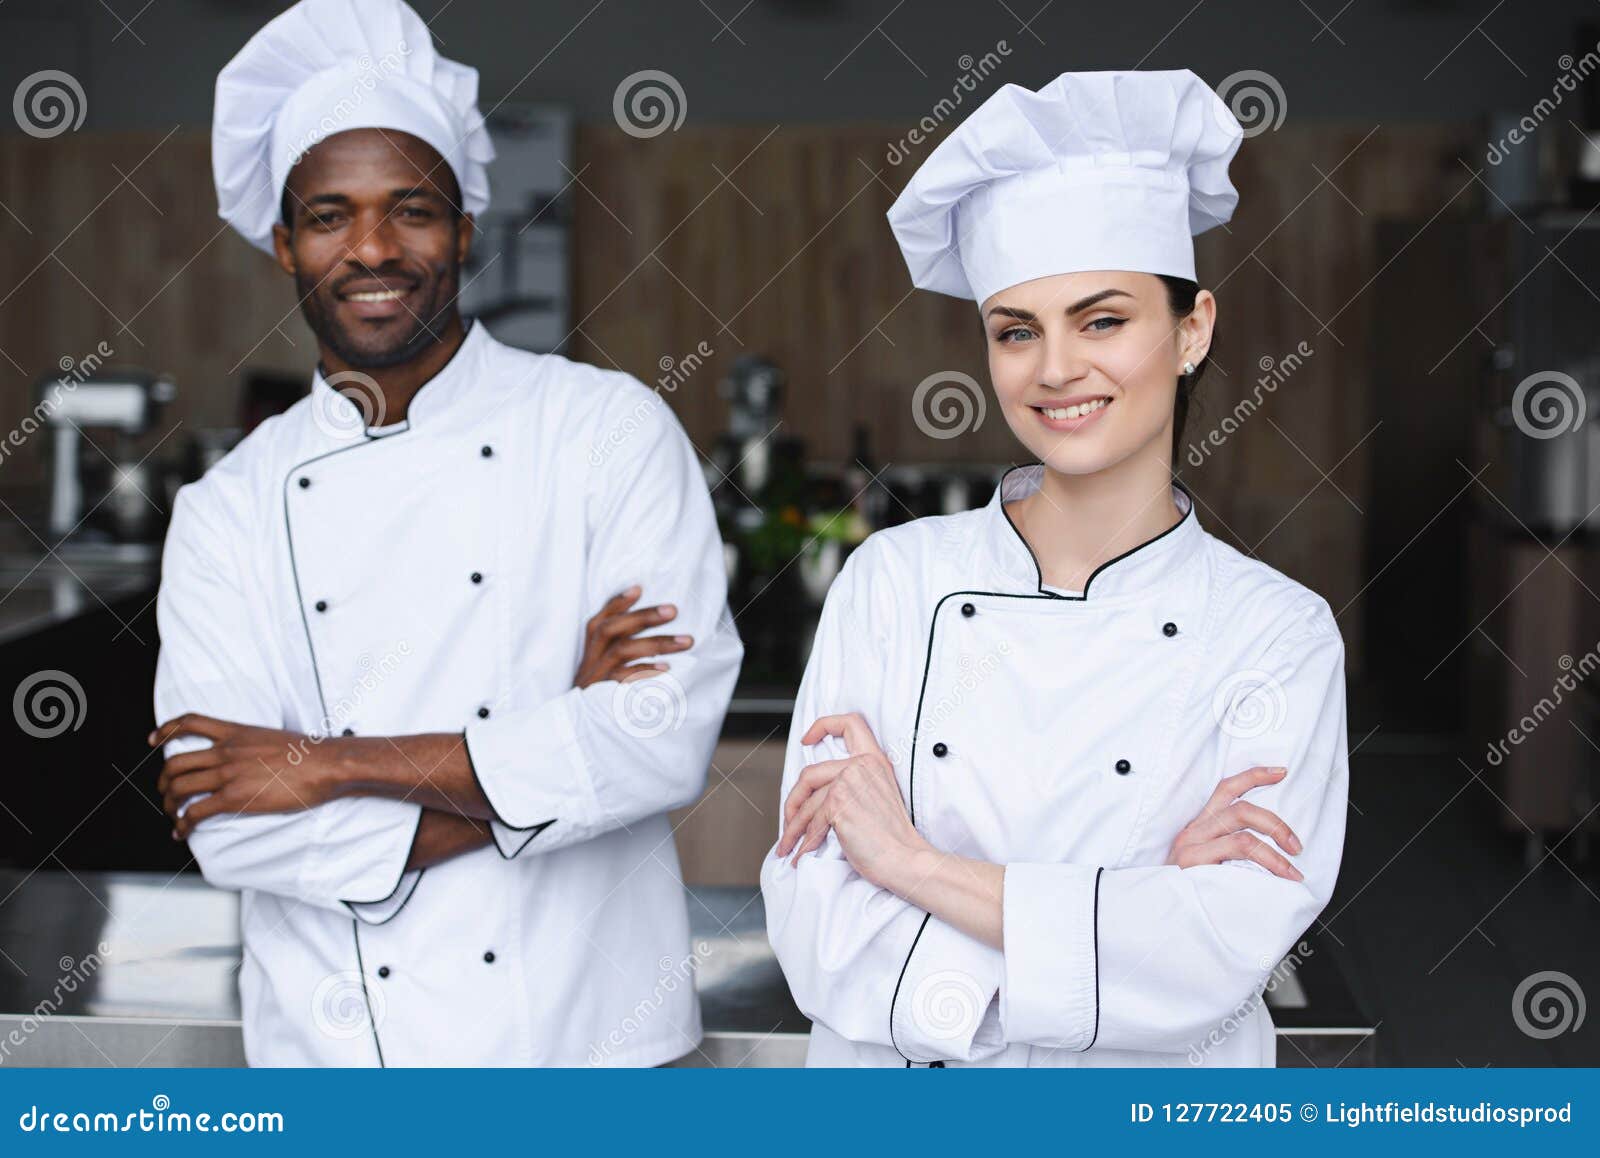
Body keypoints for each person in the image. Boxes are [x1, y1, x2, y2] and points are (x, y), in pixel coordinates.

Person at [152, 0, 742, 1066]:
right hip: (341, 1061)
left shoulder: (606, 429)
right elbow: (233, 829)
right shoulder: (227, 508)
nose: (373, 249)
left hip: (589, 1047)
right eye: (329, 216)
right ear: (284, 245)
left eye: (411, 210)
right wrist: (556, 748)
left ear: (465, 228)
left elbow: (658, 741)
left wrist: (325, 766)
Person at [760, 69, 1348, 1067]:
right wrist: (1127, 922)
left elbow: (1217, 957)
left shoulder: (1275, 631)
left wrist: (905, 861)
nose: (1057, 369)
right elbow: (818, 927)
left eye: (1102, 320)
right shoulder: (892, 582)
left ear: (1193, 330)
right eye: (1016, 331)